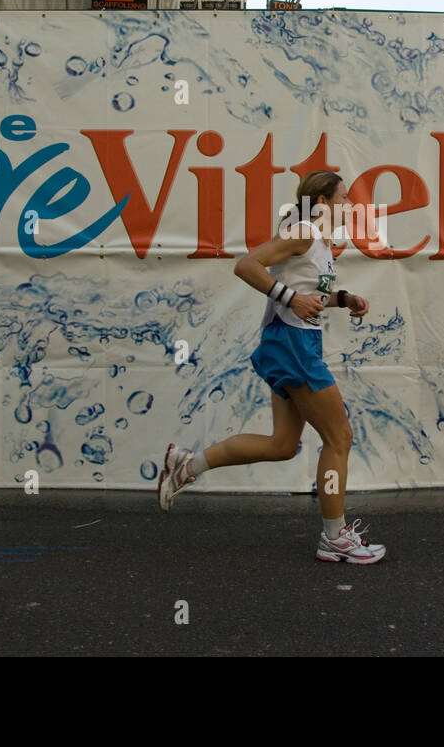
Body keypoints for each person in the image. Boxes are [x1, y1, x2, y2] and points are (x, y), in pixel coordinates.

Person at [156, 170, 387, 564]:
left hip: (293, 342)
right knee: (339, 438)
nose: (350, 205)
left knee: (282, 445)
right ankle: (335, 538)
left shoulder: (319, 242)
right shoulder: (301, 232)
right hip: (292, 344)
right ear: (322, 203)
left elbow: (309, 296)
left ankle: (186, 465)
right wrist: (291, 297)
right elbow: (247, 266)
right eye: (343, 198)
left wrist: (343, 298)